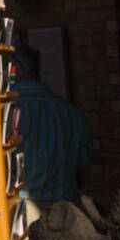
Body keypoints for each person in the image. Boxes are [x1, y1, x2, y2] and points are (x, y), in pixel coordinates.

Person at [11, 34, 93, 209]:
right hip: (67, 208)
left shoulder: (9, 111)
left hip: (24, 208)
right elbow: (84, 163)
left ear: (16, 70)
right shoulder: (68, 111)